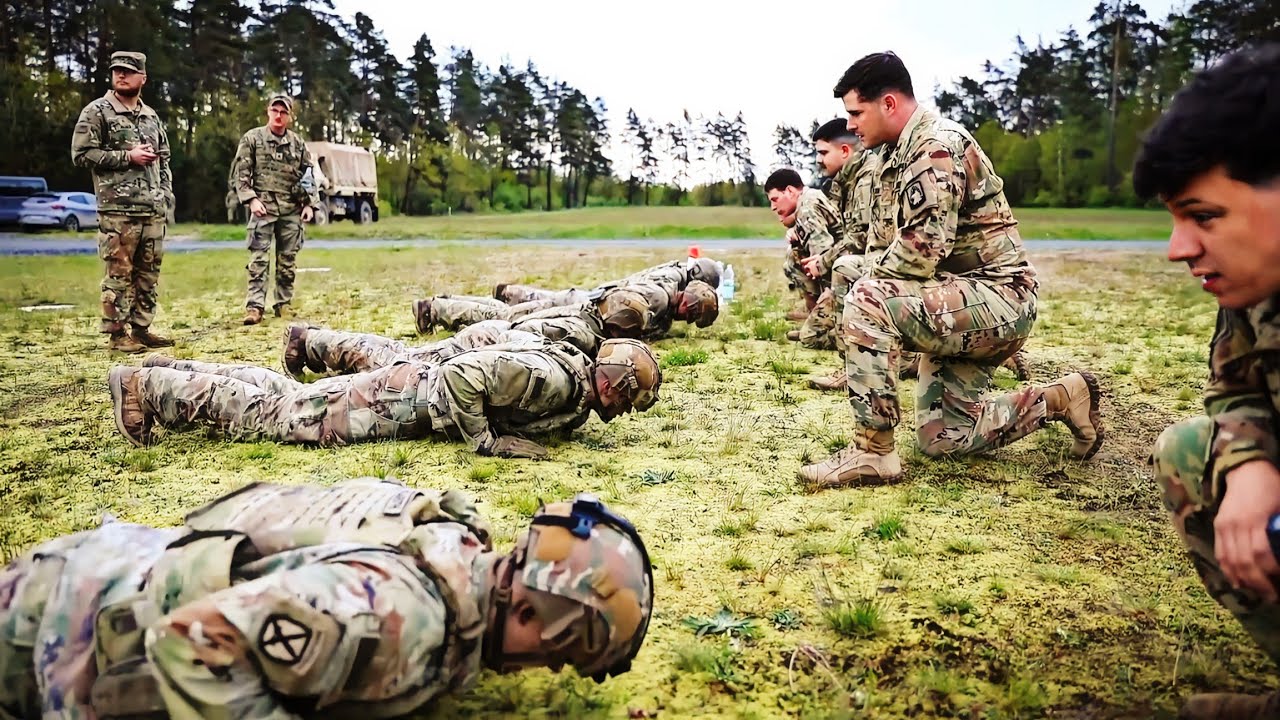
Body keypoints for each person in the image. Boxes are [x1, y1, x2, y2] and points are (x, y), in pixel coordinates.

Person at [0, 476, 653, 718]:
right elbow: (192, 641)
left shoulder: (454, 551)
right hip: (54, 629)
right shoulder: (394, 615)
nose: (543, 671)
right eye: (559, 658)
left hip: (115, 565)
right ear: (533, 611)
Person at [799, 51, 1102, 488]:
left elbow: (920, 251)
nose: (850, 125)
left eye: (855, 112)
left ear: (888, 104)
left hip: (1000, 298)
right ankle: (1061, 398)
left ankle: (873, 452)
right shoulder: (893, 156)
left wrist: (873, 300)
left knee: (867, 296)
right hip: (961, 298)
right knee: (944, 438)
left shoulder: (934, 147)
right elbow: (887, 244)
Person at [1137, 43, 1280, 720]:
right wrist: (1251, 464)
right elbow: (1235, 389)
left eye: (1204, 216)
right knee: (1196, 453)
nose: (1178, 248)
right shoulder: (1253, 291)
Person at [108, 336, 661, 459]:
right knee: (284, 419)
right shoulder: (554, 382)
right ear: (615, 385)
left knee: (296, 395)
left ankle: (171, 369)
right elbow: (465, 375)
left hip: (405, 391)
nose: (623, 412)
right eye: (629, 400)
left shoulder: (571, 386)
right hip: (402, 398)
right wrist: (486, 442)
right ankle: (150, 388)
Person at [71, 50, 174, 354]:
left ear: (143, 78)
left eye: (128, 71)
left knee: (148, 274)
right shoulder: (97, 112)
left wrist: (164, 193)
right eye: (117, 70)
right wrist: (127, 157)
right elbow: (81, 155)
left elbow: (164, 158)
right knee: (118, 273)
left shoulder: (150, 116)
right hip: (118, 211)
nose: (121, 75)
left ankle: (142, 329)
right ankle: (117, 335)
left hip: (152, 210)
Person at [231, 93, 319, 325]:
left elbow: (309, 175)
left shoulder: (298, 143)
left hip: (290, 209)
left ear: (290, 116)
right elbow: (241, 174)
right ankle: (255, 307)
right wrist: (251, 200)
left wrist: (309, 204)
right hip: (263, 207)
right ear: (268, 112)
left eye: (284, 112)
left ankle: (283, 304)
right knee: (259, 259)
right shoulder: (252, 139)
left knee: (287, 260)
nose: (278, 116)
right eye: (275, 111)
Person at [282, 315, 603, 377]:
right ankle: (308, 341)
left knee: (398, 354)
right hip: (490, 343)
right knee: (395, 362)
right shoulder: (583, 341)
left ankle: (315, 340)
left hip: (497, 338)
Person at [415, 280, 718, 341]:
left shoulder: (660, 296)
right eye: (693, 315)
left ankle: (446, 302)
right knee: (507, 318)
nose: (688, 320)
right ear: (689, 305)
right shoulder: (658, 299)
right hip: (575, 309)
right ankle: (436, 308)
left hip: (578, 305)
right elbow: (620, 311)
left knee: (507, 314)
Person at [764, 168, 845, 348]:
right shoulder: (809, 200)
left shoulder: (807, 207)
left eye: (775, 199)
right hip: (842, 266)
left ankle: (840, 332)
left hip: (843, 276)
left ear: (790, 191)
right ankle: (816, 316)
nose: (773, 207)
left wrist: (827, 301)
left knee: (810, 339)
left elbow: (822, 260)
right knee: (794, 257)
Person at [496, 257, 722, 306]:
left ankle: (510, 295)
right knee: (551, 303)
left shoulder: (676, 272)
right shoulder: (671, 281)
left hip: (612, 296)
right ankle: (508, 295)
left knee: (553, 301)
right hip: (607, 301)